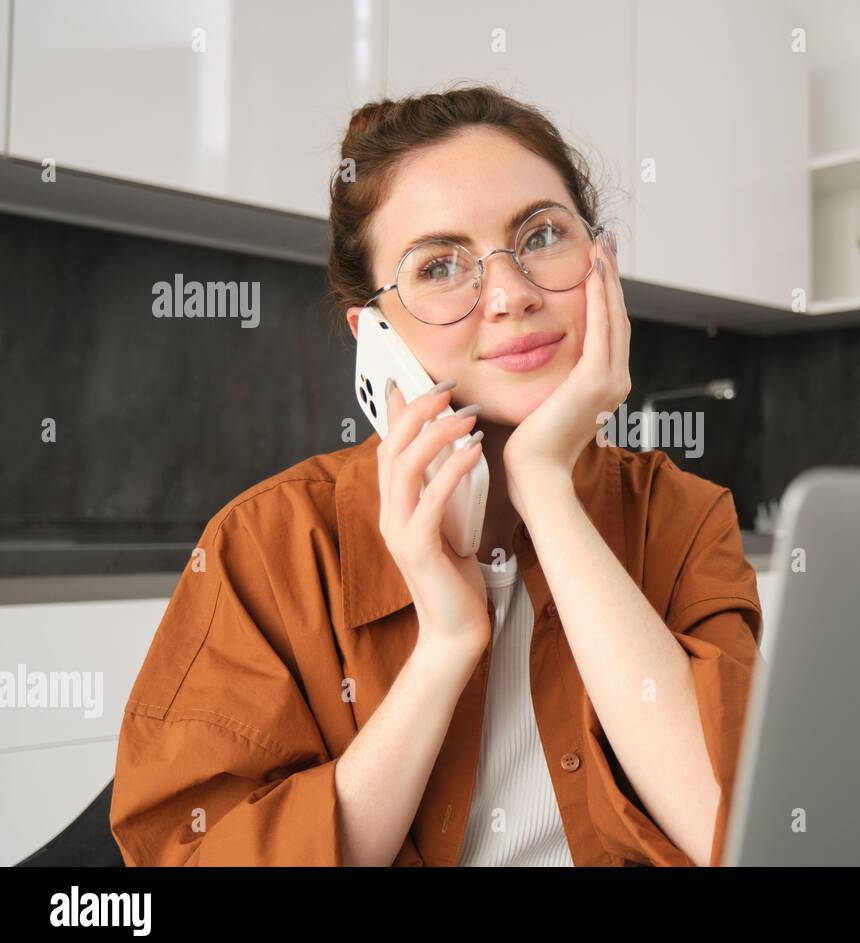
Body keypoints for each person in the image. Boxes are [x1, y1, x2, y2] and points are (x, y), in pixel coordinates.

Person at [109, 84, 762, 867]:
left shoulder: (682, 518)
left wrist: (545, 489)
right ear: (373, 333)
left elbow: (737, 835)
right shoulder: (270, 543)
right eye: (440, 265)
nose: (513, 294)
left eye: (543, 234)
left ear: (600, 262)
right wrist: (447, 644)